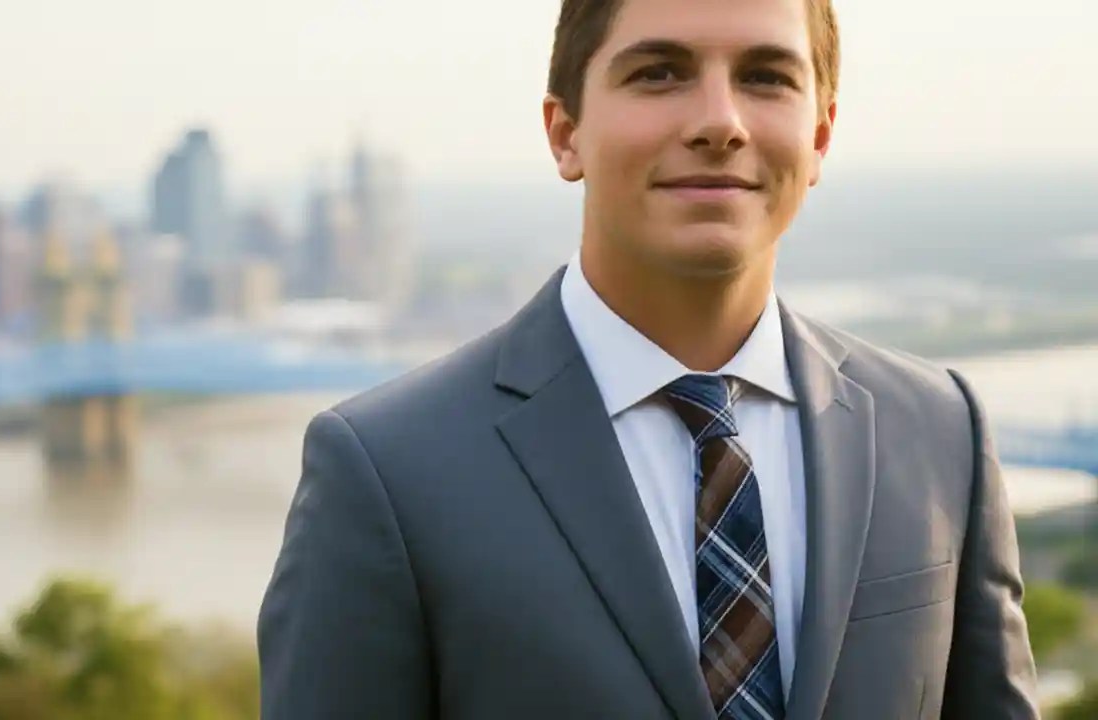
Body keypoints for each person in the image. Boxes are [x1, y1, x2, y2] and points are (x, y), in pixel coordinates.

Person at [258, 0, 1040, 716]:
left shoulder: (941, 434)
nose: (719, 121)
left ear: (821, 136)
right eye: (659, 73)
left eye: (765, 77)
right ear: (565, 133)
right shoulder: (387, 472)